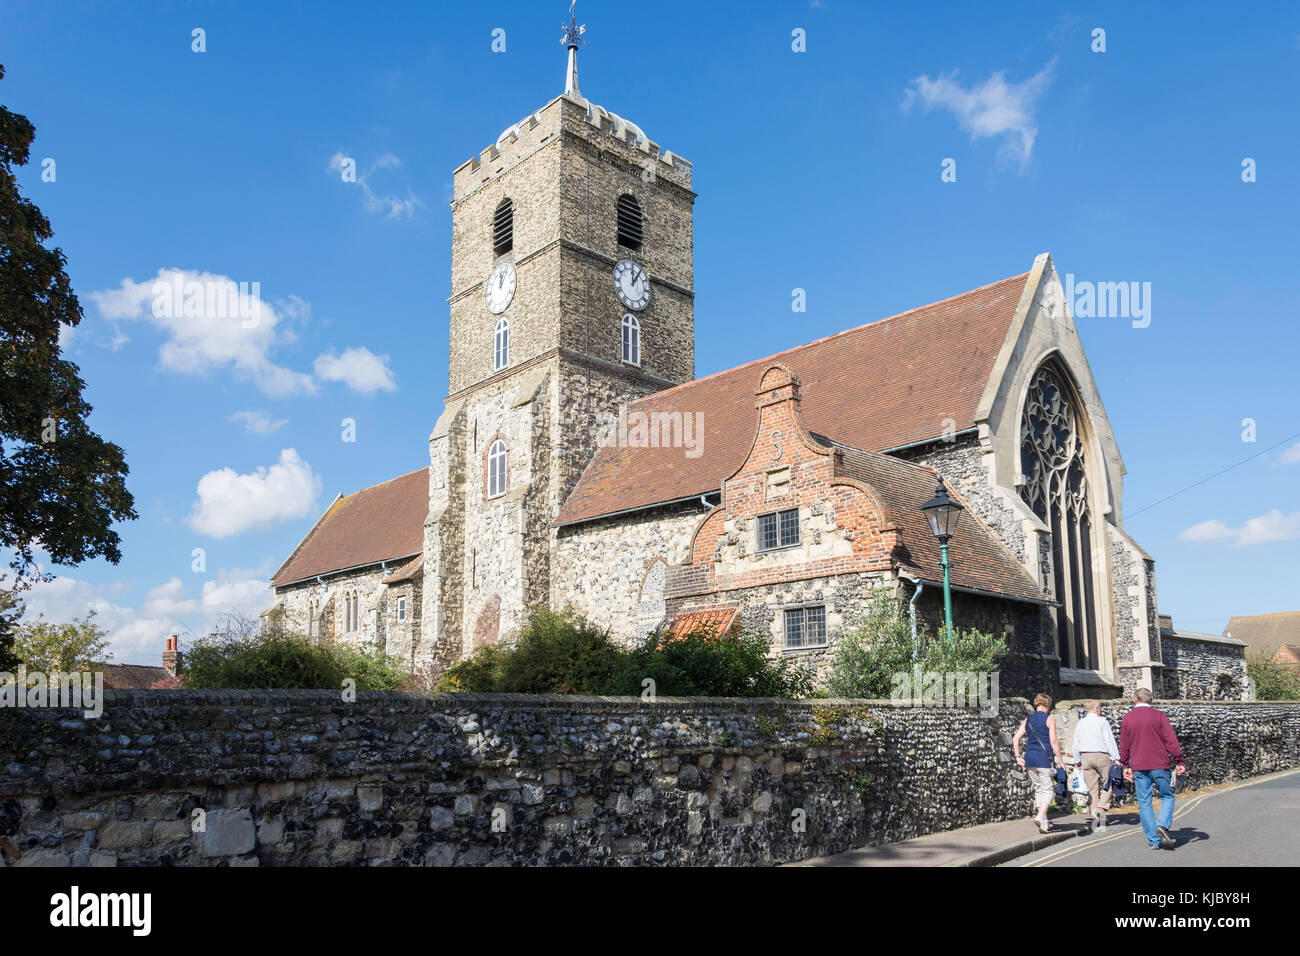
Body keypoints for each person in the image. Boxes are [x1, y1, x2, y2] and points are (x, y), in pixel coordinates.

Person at [1119, 688, 1187, 850]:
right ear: (1150, 700)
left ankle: (1153, 840)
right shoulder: (1159, 716)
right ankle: (1162, 825)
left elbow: (1124, 745)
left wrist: (1125, 765)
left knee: (1144, 802)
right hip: (1160, 764)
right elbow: (1171, 740)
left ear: (1135, 699)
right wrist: (1179, 760)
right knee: (1167, 796)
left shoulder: (1128, 718)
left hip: (1139, 766)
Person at [1012, 693, 1067, 833]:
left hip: (1030, 759)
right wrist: (1060, 761)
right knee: (1048, 790)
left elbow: (1015, 738)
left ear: (1036, 704)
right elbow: (1054, 741)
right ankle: (1041, 815)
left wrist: (1018, 756)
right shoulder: (1050, 719)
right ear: (1047, 705)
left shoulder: (1028, 720)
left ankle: (1044, 823)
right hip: (1044, 759)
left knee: (1038, 790)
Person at [1070, 700, 1121, 832]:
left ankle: (1095, 814)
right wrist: (1116, 757)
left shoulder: (1081, 723)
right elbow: (1108, 739)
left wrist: (1077, 760)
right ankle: (1101, 808)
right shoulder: (1102, 721)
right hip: (1101, 755)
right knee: (1109, 782)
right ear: (1097, 709)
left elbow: (1076, 742)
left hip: (1085, 756)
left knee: (1092, 788)